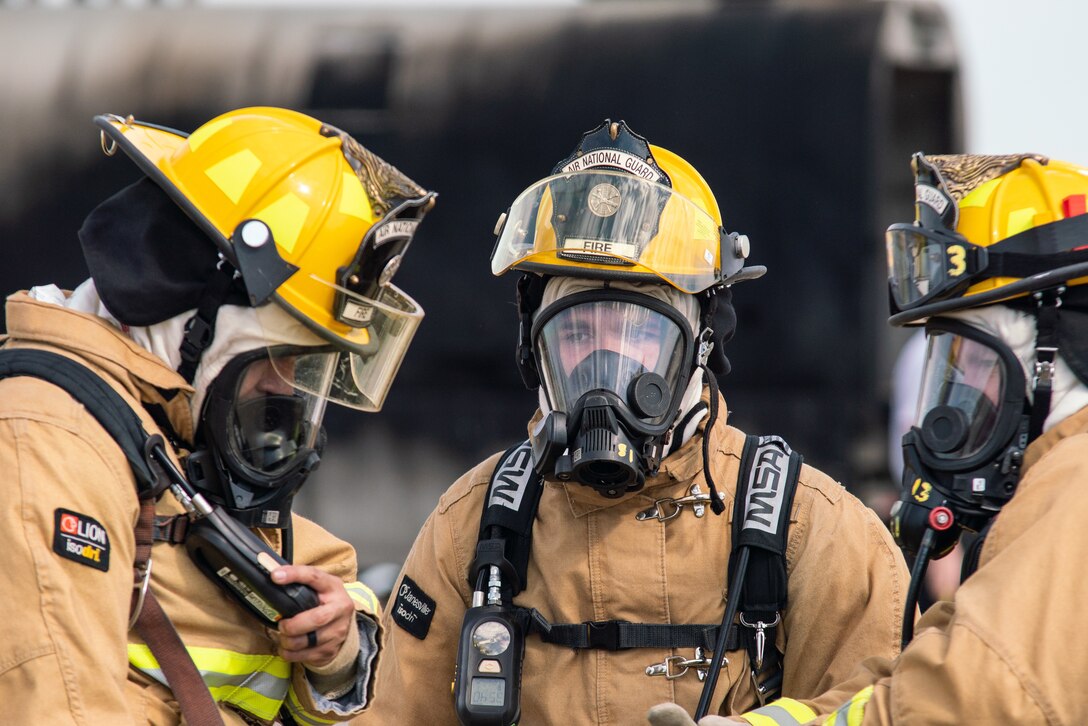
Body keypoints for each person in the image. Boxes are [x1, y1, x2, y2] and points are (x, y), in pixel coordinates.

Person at [358, 119, 908, 724]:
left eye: (636, 334)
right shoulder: (472, 529)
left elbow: (885, 708)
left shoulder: (813, 531)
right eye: (577, 334)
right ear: (534, 351)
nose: (604, 370)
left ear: (699, 346)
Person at [0, 107, 435, 724]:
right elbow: (52, 702)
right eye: (280, 357)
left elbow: (303, 565)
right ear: (195, 317)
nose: (284, 388)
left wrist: (339, 651)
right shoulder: (47, 445)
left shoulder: (161, 429)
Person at [651, 151, 1088, 725]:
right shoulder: (1044, 495)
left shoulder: (1074, 487)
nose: (949, 410)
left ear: (1065, 350)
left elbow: (971, 699)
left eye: (974, 361)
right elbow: (917, 681)